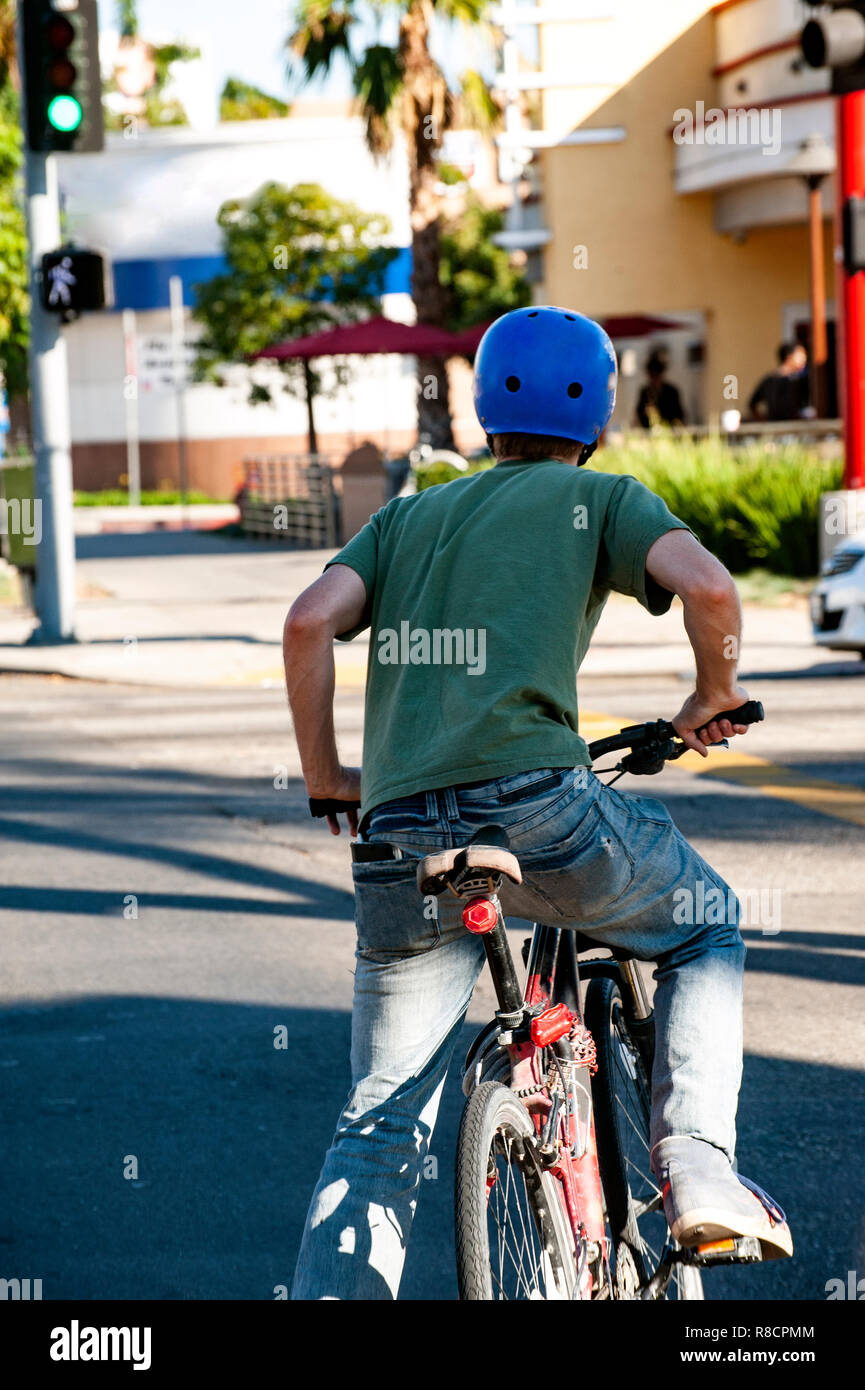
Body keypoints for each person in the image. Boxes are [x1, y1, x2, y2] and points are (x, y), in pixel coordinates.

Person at [284, 306, 792, 1300]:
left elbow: (308, 622)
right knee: (702, 924)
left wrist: (329, 778)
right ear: (598, 412)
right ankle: (694, 1163)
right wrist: (711, 695)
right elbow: (714, 591)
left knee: (381, 1118)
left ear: (483, 411)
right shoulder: (600, 501)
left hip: (401, 839)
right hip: (539, 809)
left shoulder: (405, 517)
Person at [748, 342, 809, 422]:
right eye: (801, 355)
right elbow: (752, 404)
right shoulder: (793, 380)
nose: (804, 358)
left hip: (778, 427)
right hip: (786, 428)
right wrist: (763, 421)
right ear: (789, 357)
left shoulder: (769, 379)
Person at [635, 347, 685, 429]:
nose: (654, 379)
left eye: (656, 375)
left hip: (669, 430)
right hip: (649, 432)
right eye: (652, 375)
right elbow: (639, 413)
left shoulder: (672, 391)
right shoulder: (645, 392)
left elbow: (679, 414)